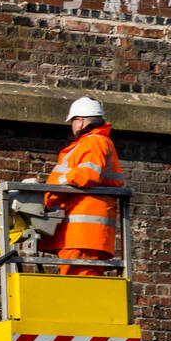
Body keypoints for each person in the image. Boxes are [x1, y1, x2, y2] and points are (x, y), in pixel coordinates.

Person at [43, 96, 123, 276]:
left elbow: (89, 173)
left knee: (79, 285)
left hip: (83, 233)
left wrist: (62, 181)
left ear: (80, 122)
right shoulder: (90, 142)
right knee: (83, 286)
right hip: (82, 234)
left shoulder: (94, 141)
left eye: (73, 121)